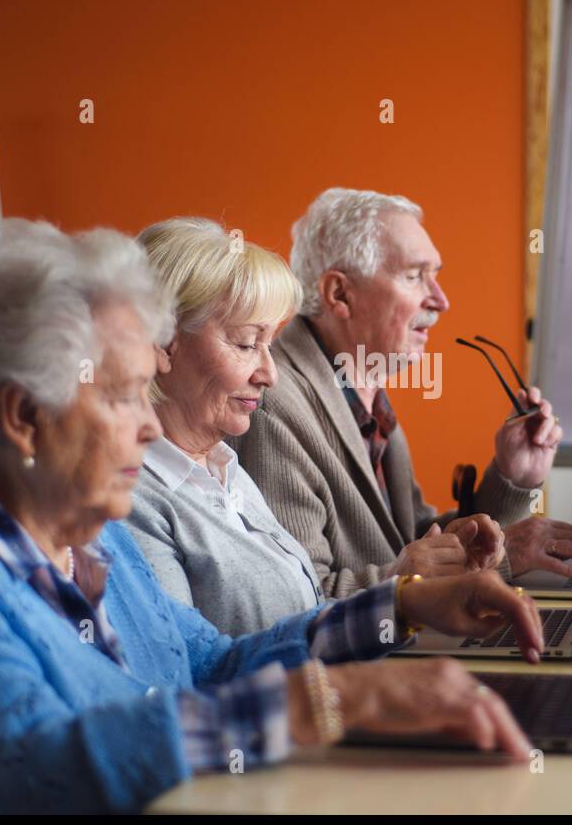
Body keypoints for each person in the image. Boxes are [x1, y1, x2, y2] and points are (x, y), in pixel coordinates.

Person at [0, 219, 543, 814]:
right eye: (121, 396)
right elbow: (25, 779)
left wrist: (401, 605)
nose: (147, 426)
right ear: (24, 416)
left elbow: (208, 666)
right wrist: (329, 701)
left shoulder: (78, 526)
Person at [127, 217, 504, 635]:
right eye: (246, 342)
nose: (269, 373)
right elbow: (190, 673)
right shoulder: (131, 502)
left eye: (269, 343)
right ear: (162, 344)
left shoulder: (223, 469)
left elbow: (306, 608)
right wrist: (399, 593)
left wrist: (415, 586)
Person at [232, 188, 572, 599]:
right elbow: (301, 601)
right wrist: (501, 557)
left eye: (436, 275)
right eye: (414, 276)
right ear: (339, 293)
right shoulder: (272, 408)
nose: (441, 300)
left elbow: (413, 545)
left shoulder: (366, 396)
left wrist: (511, 479)